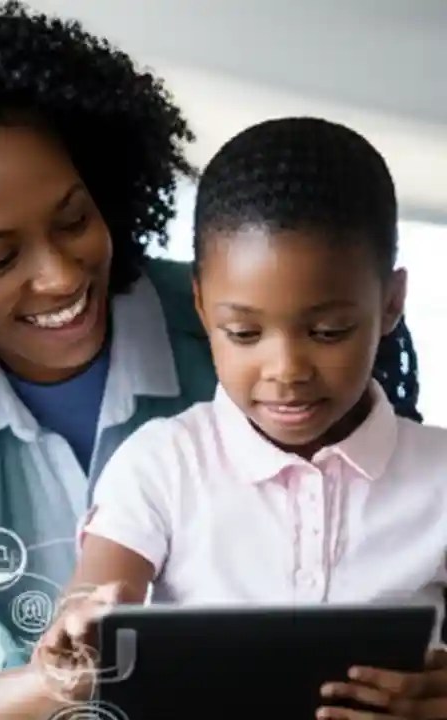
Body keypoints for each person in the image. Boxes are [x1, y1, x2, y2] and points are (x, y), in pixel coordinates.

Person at [0, 1, 420, 717]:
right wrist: (62, 680)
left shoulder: (241, 330)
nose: (62, 277)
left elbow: (374, 548)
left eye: (74, 220)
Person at [39, 116, 447, 719]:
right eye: (244, 332)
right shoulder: (163, 464)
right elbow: (93, 600)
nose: (286, 368)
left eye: (328, 331)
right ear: (202, 306)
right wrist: (79, 630)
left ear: (390, 304)